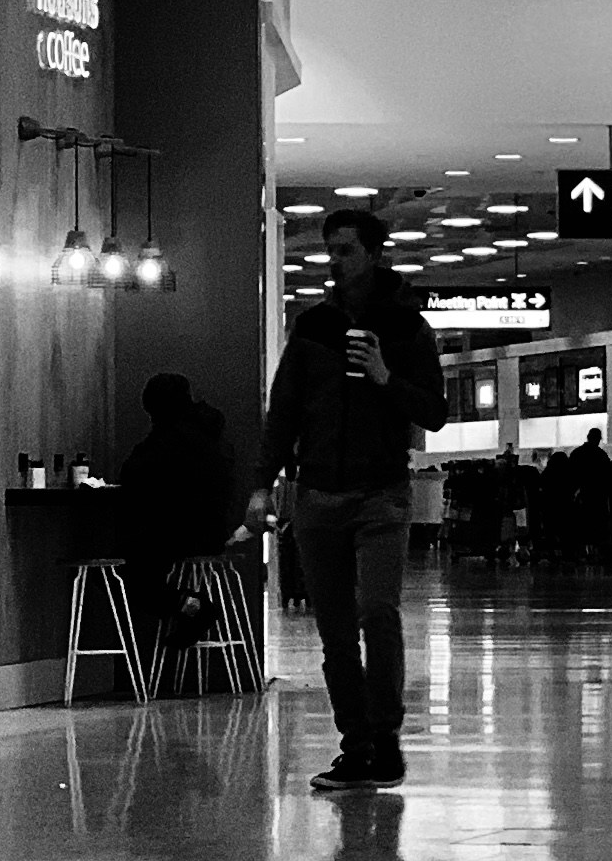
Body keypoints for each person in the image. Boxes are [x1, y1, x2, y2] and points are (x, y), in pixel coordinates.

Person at [259, 208, 442, 794]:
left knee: (378, 614)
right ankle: (354, 745)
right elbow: (283, 409)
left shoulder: (410, 329)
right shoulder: (312, 328)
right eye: (329, 252)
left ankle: (384, 741)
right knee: (334, 630)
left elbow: (434, 413)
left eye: (344, 251)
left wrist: (388, 379)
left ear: (373, 253)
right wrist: (263, 482)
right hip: (316, 496)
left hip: (381, 494)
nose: (334, 262)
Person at [112, 372, 250, 658]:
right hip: (211, 531)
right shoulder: (206, 432)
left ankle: (194, 605)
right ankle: (190, 606)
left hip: (181, 533)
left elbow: (134, 472)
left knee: (128, 570)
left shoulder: (170, 437)